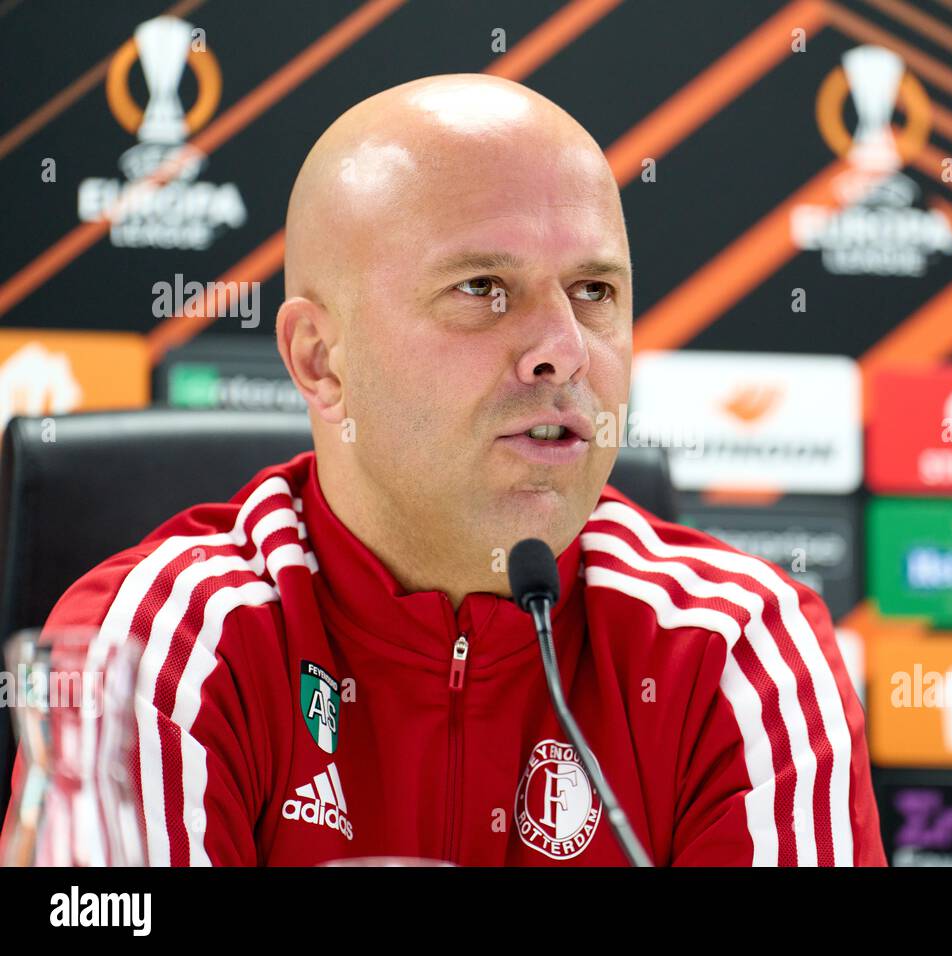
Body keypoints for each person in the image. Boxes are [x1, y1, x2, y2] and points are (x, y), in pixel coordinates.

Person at [0, 74, 885, 866]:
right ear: (319, 360)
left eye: (594, 292)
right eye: (482, 289)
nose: (562, 351)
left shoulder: (739, 651)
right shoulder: (158, 648)